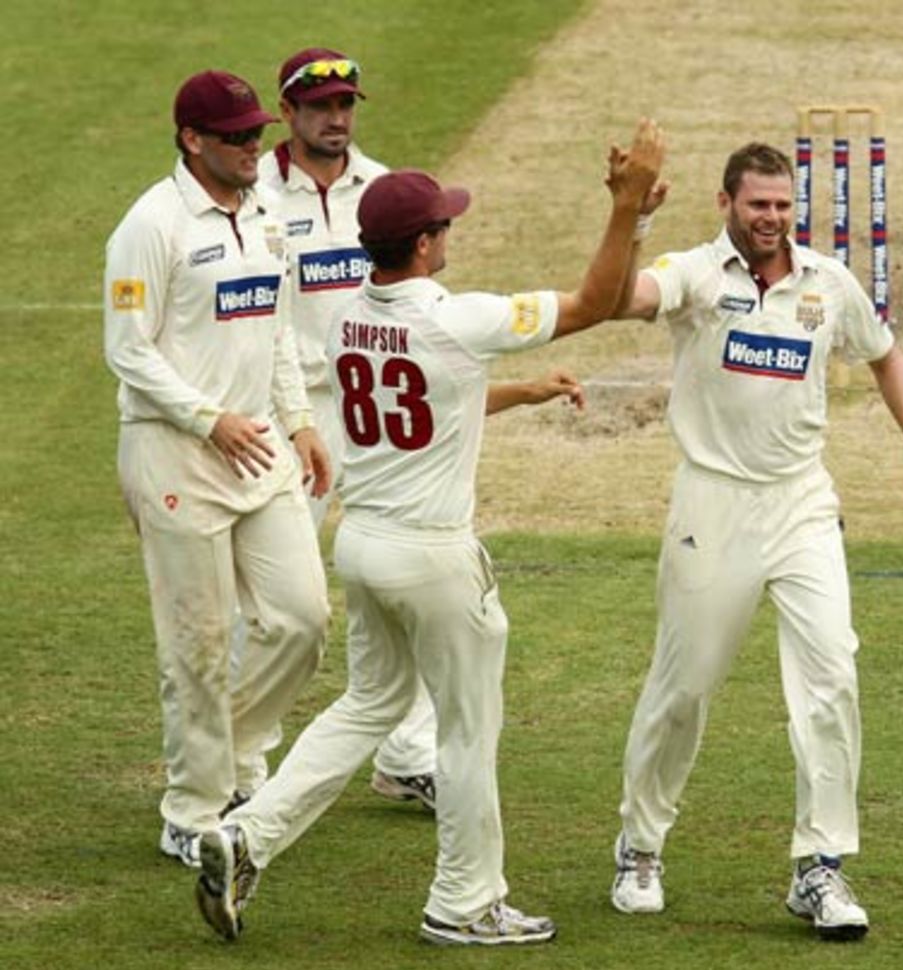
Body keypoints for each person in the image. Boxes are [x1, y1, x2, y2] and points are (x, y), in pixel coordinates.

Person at [193, 119, 666, 945]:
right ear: (421, 245)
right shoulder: (459, 318)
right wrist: (628, 208)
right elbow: (595, 304)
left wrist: (519, 392)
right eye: (444, 225)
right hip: (435, 555)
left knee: (367, 704)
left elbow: (426, 396)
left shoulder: (346, 318)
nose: (451, 233)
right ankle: (464, 902)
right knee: (467, 732)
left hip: (364, 545)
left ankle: (247, 834)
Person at [607, 142, 903, 941]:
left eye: (781, 205)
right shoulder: (696, 274)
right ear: (726, 203)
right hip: (712, 501)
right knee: (684, 688)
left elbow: (886, 354)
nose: (771, 218)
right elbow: (623, 297)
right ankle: (640, 846)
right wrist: (634, 218)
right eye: (756, 204)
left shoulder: (826, 282)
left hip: (801, 503)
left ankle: (820, 867)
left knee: (832, 679)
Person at [250, 47, 583, 811]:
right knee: (282, 611)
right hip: (291, 413)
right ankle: (244, 765)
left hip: (367, 405)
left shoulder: (382, 190)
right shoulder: (258, 198)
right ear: (289, 111)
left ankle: (407, 756)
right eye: (320, 106)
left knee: (419, 568)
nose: (337, 118)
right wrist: (291, 417)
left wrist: (518, 389)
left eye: (346, 104)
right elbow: (262, 320)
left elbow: (427, 353)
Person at [103, 70, 331, 868]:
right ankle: (193, 808)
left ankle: (232, 755)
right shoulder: (149, 225)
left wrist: (299, 420)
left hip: (258, 445)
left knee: (302, 619)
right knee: (196, 644)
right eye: (235, 137)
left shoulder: (264, 214)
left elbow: (276, 329)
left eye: (256, 132)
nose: (252, 146)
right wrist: (208, 418)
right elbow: (127, 351)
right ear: (191, 139)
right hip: (174, 452)